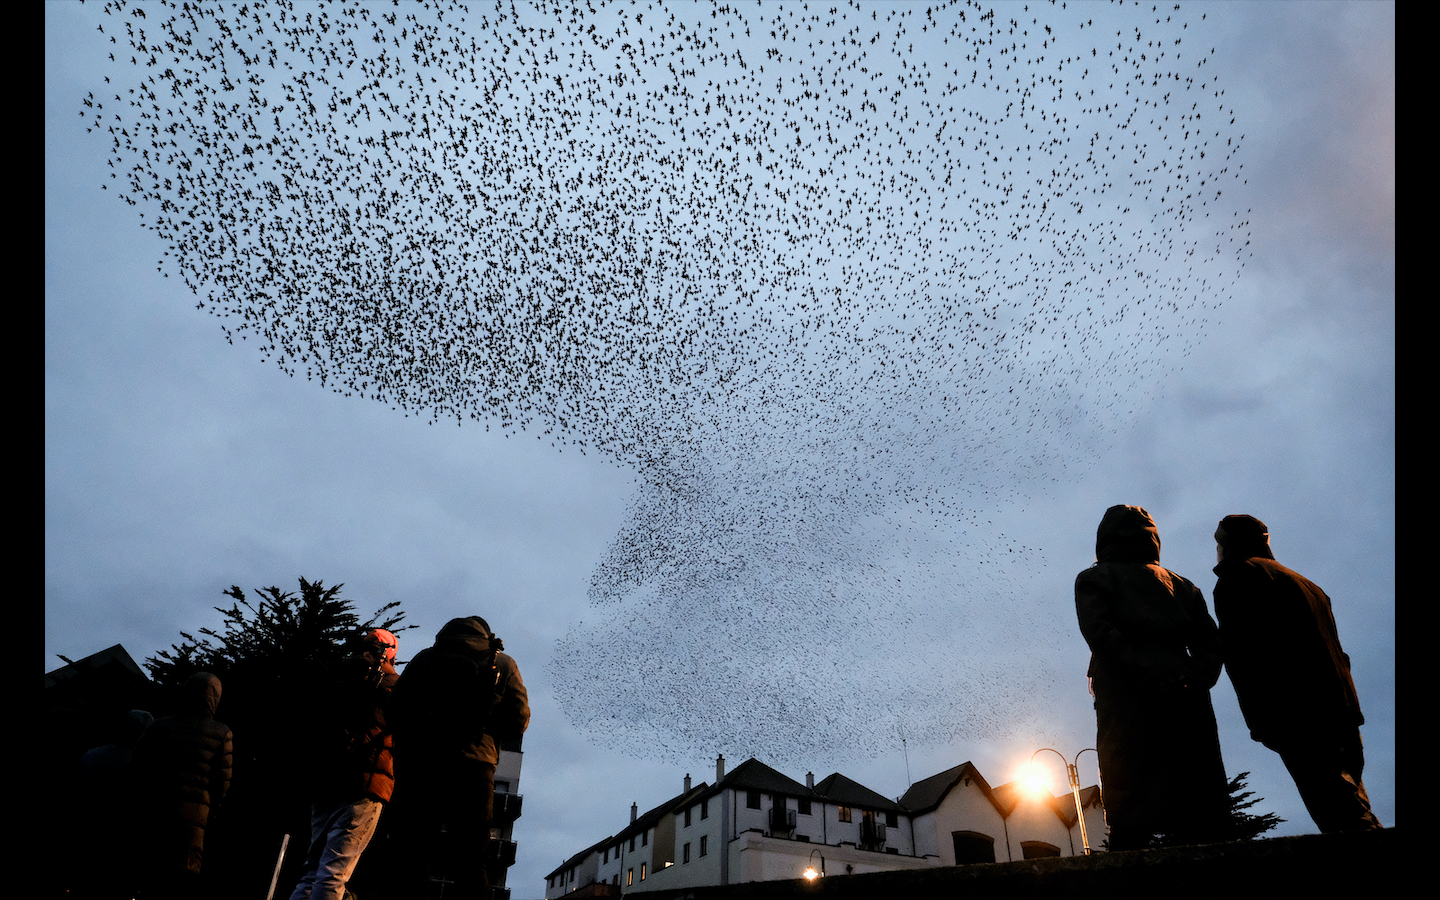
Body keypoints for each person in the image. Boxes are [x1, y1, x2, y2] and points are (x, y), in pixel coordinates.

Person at [1075, 505, 1234, 850]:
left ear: (1104, 539)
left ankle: (1132, 881)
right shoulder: (1183, 586)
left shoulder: (1094, 579)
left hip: (1126, 696)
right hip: (1186, 696)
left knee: (1129, 795)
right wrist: (1191, 676)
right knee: (1198, 796)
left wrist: (1143, 675)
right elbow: (1212, 643)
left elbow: (1100, 634)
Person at [1212, 514, 1382, 832]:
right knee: (1352, 804)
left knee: (1338, 814)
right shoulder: (1307, 585)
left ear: (1226, 545)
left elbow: (1243, 651)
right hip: (1341, 710)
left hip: (1298, 714)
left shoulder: (1238, 576)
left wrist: (1263, 719)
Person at [386, 616, 529, 900]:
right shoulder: (502, 663)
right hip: (475, 767)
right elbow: (519, 719)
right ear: (487, 635)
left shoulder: (425, 659)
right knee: (471, 859)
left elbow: (395, 709)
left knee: (413, 854)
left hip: (422, 766)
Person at [288, 628, 401, 900]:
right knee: (333, 874)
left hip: (325, 784)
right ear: (390, 653)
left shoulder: (337, 677)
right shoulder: (392, 686)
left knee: (311, 872)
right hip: (364, 787)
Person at [127, 671, 234, 899]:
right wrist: (206, 817)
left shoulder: (159, 726)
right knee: (178, 885)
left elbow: (135, 770)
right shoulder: (222, 733)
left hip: (152, 816)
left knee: (144, 880)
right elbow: (221, 786)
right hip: (192, 826)